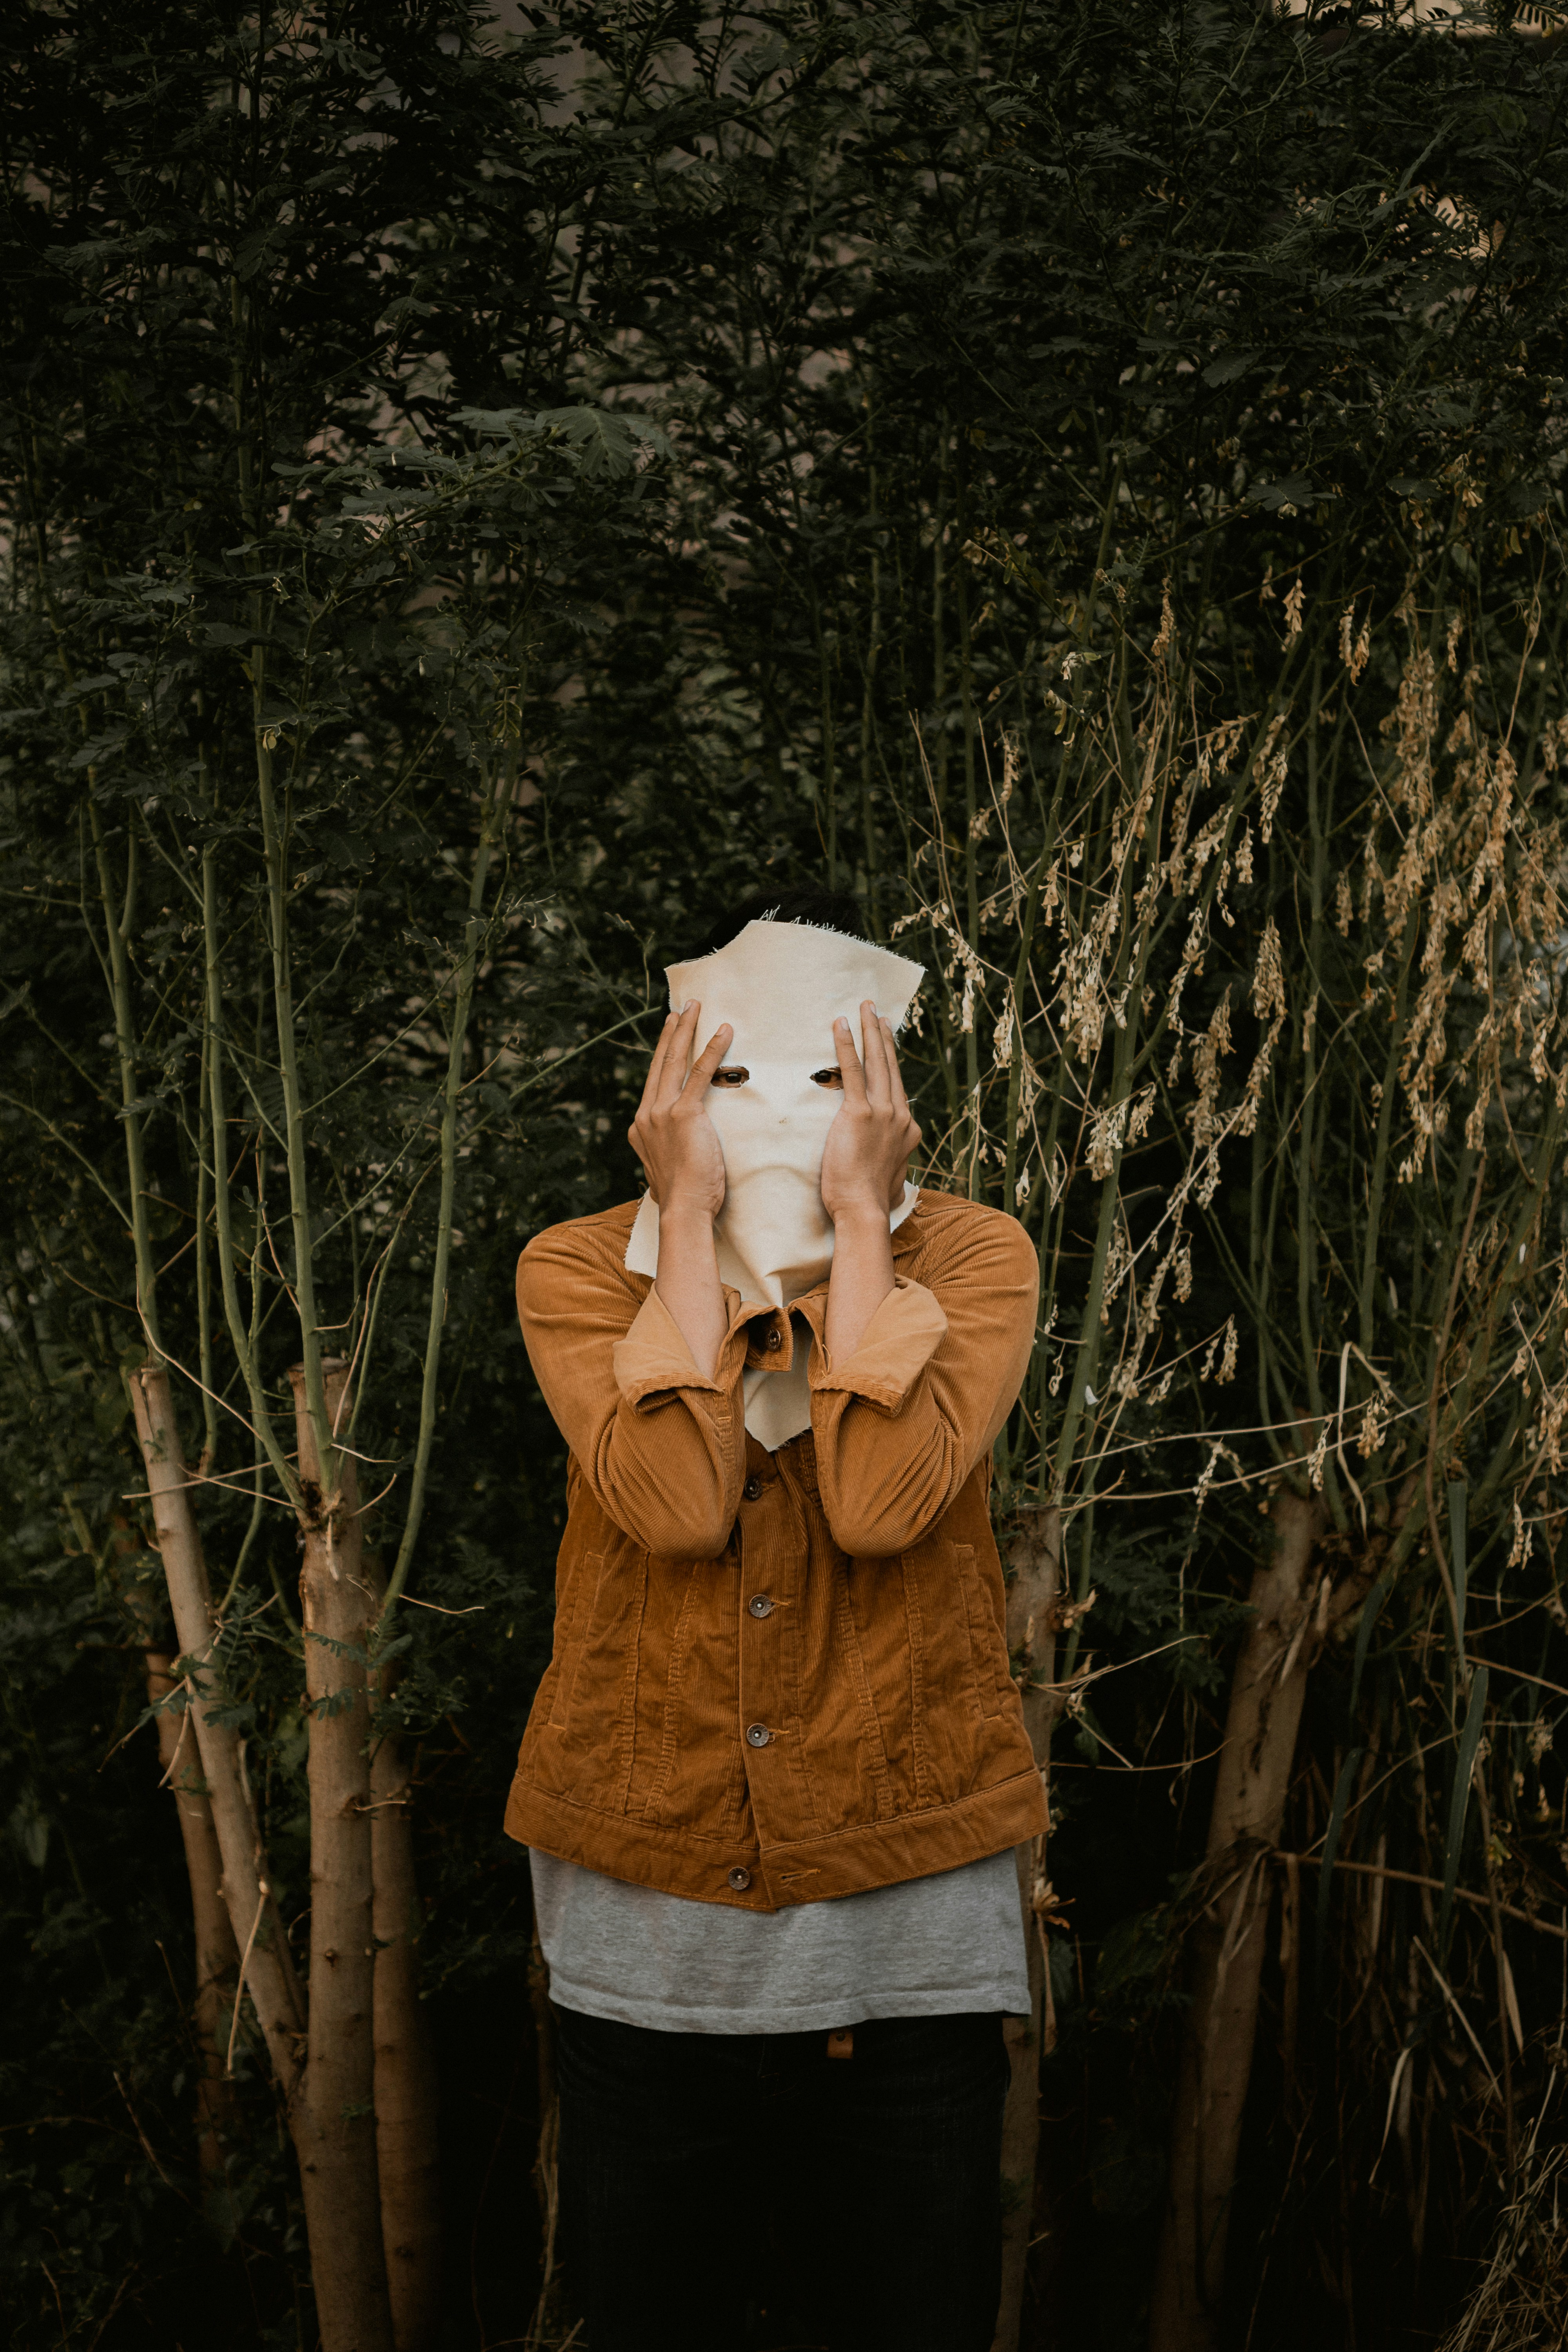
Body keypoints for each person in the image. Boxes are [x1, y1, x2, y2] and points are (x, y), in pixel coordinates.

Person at [506, 887, 1046, 2351]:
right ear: (670, 1081)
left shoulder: (976, 1259)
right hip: (648, 1946)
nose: (777, 1112)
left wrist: (864, 1218)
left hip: (908, 1954)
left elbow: (880, 1504)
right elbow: (676, 1503)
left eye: (826, 1074)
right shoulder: (573, 1268)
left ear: (887, 1086)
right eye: (733, 1074)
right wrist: (683, 1216)